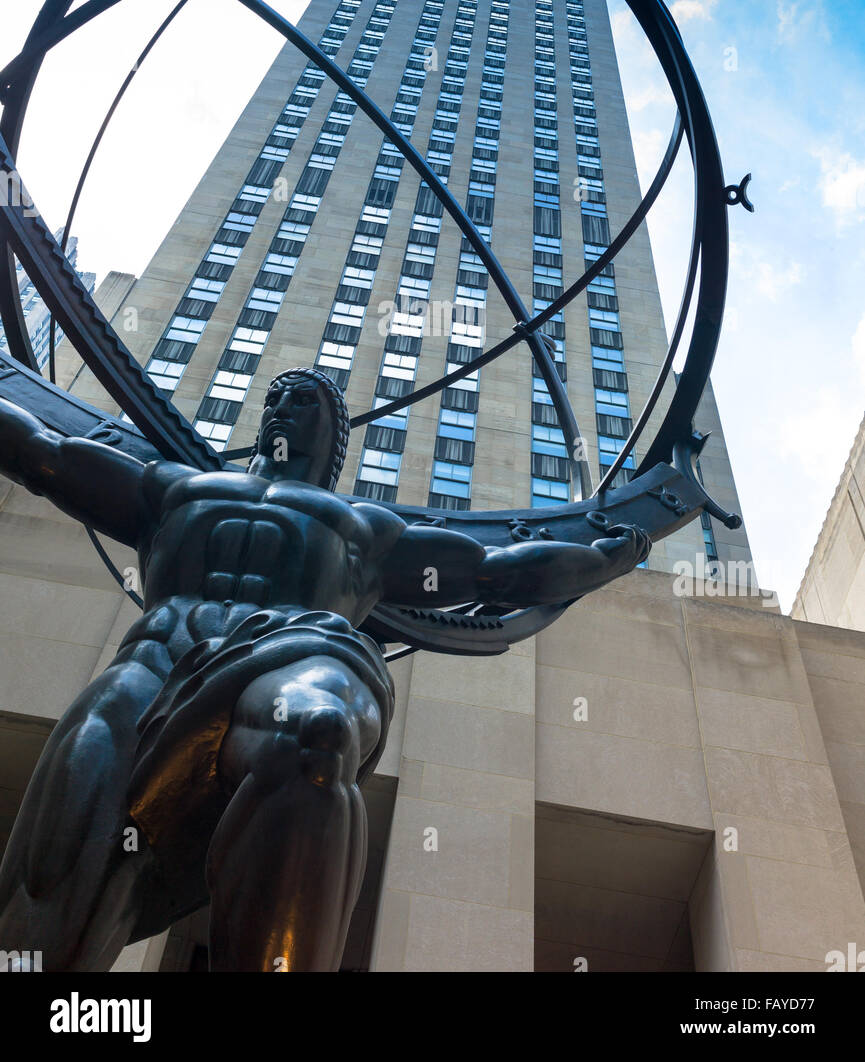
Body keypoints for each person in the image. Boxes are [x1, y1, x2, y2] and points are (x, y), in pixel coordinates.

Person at [0, 367, 649, 971]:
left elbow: (496, 573)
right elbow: (41, 453)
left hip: (293, 651)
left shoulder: (365, 530)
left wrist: (604, 562)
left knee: (317, 730)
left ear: (334, 436)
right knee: (61, 861)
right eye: (276, 397)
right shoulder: (173, 486)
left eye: (303, 400)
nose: (283, 407)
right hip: (152, 667)